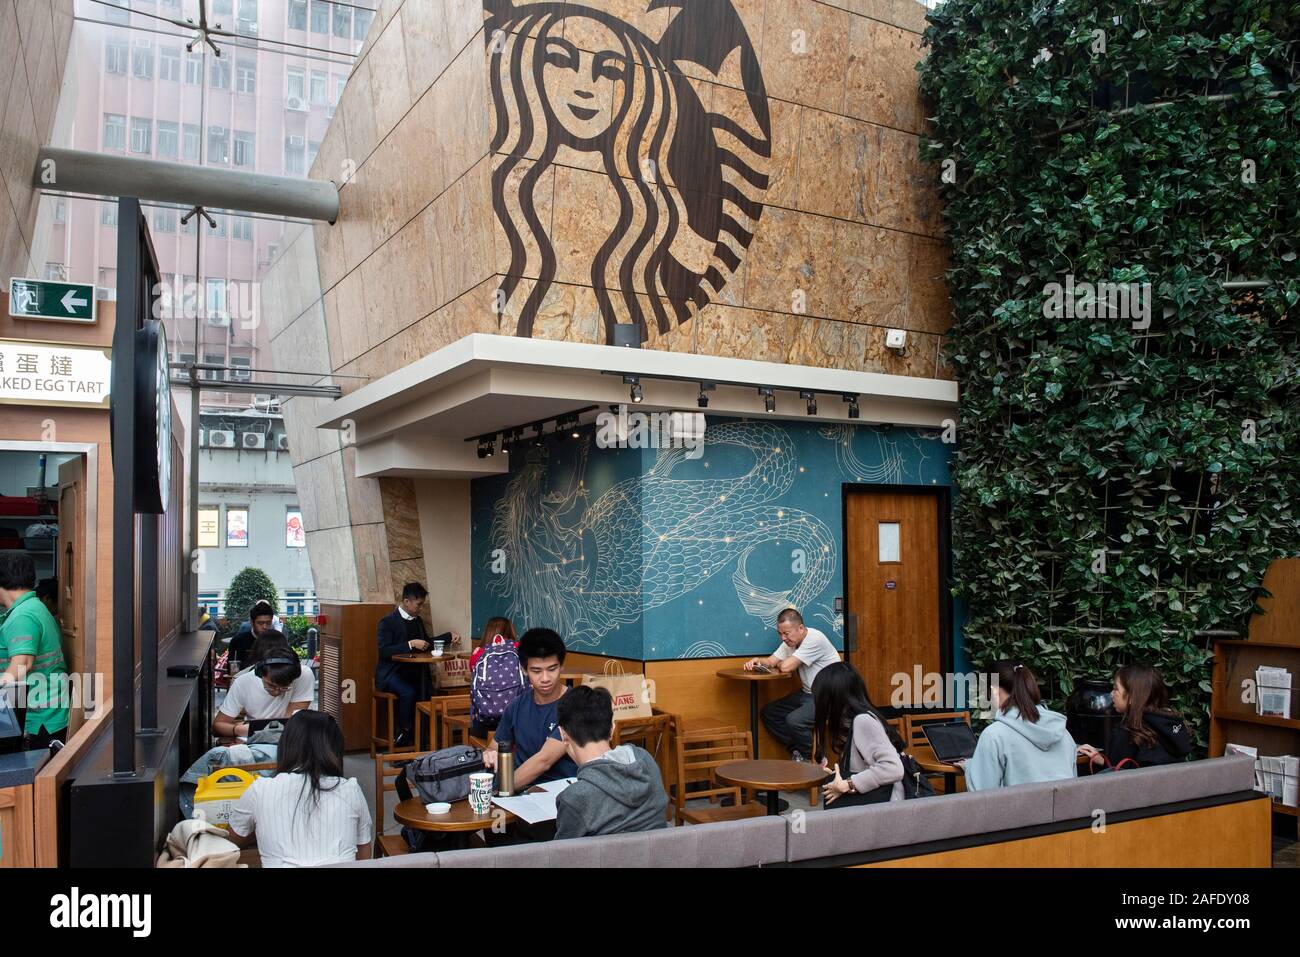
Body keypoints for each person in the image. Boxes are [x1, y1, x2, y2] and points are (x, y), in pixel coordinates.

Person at [228, 710, 373, 867]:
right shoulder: (350, 789)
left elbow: (229, 842)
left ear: (286, 745)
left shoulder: (260, 789)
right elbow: (364, 854)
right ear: (335, 749)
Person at [554, 685, 669, 839]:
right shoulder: (645, 760)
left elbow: (563, 857)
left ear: (563, 734)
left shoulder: (574, 799)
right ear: (612, 728)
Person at [482, 627, 578, 788]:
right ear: (524, 670)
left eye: (552, 669)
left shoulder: (576, 705)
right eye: (536, 671)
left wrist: (502, 790)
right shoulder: (516, 706)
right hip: (521, 793)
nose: (545, 678)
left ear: (562, 666)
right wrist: (489, 754)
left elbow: (544, 761)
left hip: (561, 794)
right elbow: (493, 747)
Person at [964, 660, 1078, 790]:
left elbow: (981, 795)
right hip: (1063, 810)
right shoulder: (1063, 733)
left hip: (1016, 810)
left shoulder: (994, 735)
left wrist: (972, 769)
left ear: (993, 691)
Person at [744, 607, 840, 760]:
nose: (783, 638)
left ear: (800, 628)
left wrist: (781, 663)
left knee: (795, 721)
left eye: (786, 633)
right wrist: (758, 661)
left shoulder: (815, 639)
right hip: (808, 694)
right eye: (780, 633)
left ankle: (811, 758)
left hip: (829, 697)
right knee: (769, 713)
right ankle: (798, 752)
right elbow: (770, 661)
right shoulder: (790, 642)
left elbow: (786, 667)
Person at [0, 554, 69, 750]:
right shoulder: (34, 607)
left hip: (38, 718)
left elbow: (22, 664)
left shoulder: (23, 616)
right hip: (47, 713)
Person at [812, 662, 905, 807]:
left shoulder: (862, 721)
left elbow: (893, 768)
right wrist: (839, 776)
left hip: (884, 807)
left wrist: (848, 784)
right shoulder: (855, 720)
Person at [1077, 663, 1193, 770]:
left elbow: (1115, 782)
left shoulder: (1126, 733)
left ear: (1132, 696)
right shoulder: (1170, 726)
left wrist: (1102, 764)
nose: (1112, 694)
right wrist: (1103, 761)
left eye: (1116, 688)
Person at [375, 582, 449, 747]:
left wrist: (448, 637)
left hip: (413, 671)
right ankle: (405, 733)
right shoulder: (387, 622)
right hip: (391, 673)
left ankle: (422, 740)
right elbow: (384, 651)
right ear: (406, 601)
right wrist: (410, 644)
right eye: (419, 604)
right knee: (408, 692)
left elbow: (426, 643)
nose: (421, 608)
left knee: (426, 691)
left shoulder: (417, 620)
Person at [213, 633, 313, 740]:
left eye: (284, 687)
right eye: (270, 685)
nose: (276, 692)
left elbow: (289, 723)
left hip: (288, 739)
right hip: (255, 738)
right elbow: (218, 725)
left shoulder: (304, 675)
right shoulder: (242, 682)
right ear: (259, 673)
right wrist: (238, 729)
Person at [226, 600, 277, 671]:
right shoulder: (238, 641)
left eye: (268, 623)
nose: (265, 627)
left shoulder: (277, 640)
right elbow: (232, 669)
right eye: (260, 623)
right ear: (252, 622)